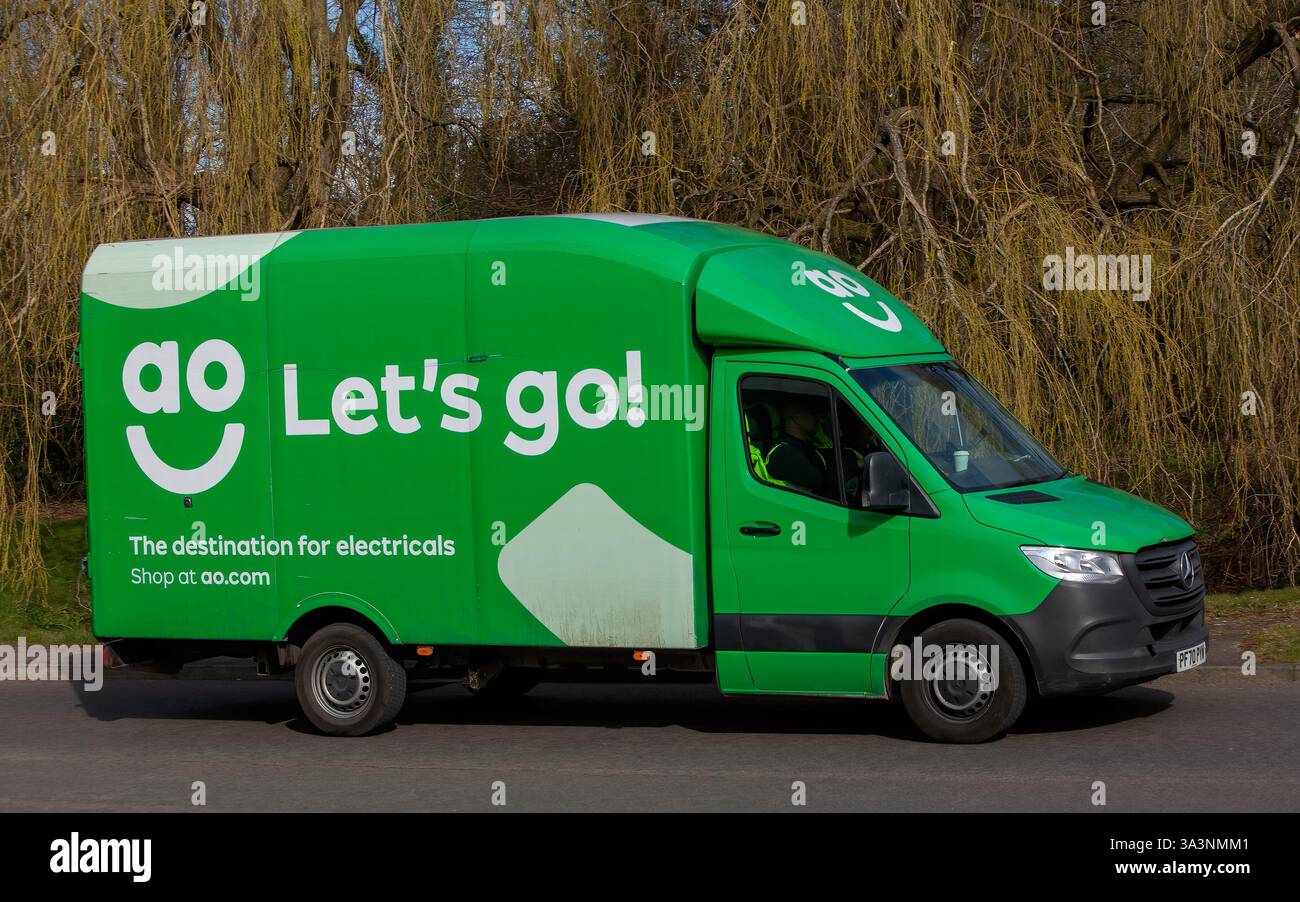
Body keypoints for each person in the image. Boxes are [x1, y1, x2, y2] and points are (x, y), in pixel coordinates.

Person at [765, 400, 831, 496]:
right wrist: (853, 467)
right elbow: (820, 482)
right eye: (810, 413)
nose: (816, 418)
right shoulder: (784, 452)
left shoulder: (804, 446)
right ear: (796, 419)